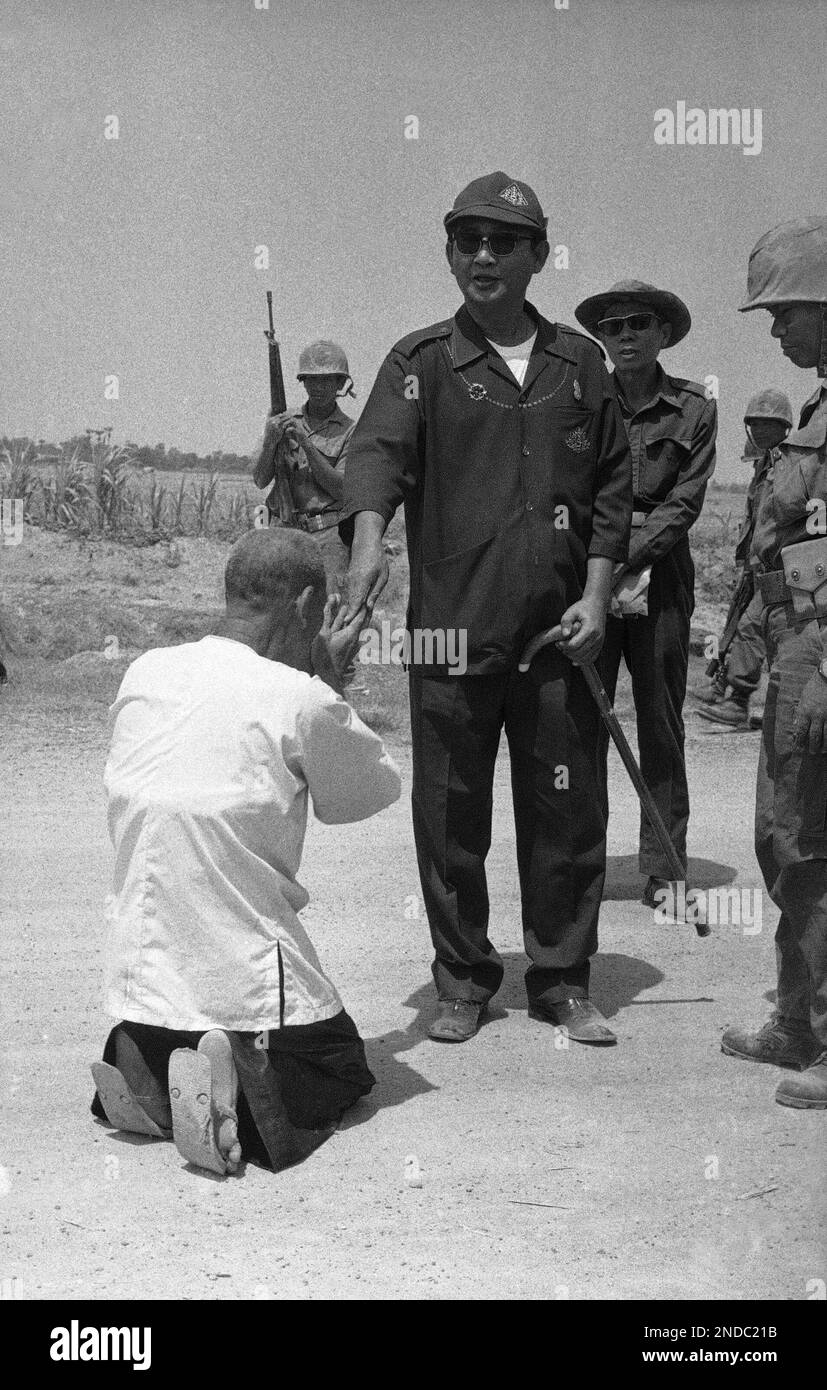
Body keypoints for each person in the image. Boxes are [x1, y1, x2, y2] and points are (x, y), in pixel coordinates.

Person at [340, 172, 632, 1045]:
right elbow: (376, 460)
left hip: (558, 637)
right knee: (449, 813)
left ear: (539, 255)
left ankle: (561, 980)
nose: (482, 255)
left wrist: (594, 595)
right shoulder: (421, 360)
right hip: (448, 630)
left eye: (503, 241)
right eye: (466, 239)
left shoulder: (580, 363)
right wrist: (366, 553)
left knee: (565, 810)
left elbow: (613, 489)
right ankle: (463, 980)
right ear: (450, 253)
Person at [91, 528, 401, 1172]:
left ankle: (140, 1068)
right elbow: (366, 795)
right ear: (308, 603)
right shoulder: (300, 696)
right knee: (341, 1064)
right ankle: (237, 1091)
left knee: (164, 1010)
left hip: (142, 978)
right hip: (246, 979)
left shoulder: (145, 669)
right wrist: (327, 682)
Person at [721, 215, 827, 1109]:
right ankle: (797, 1019)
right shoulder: (820, 405)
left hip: (823, 647)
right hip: (796, 639)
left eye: (785, 311)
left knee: (816, 840)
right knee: (784, 836)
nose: (775, 328)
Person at [573, 280, 717, 915]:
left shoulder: (694, 408)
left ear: (663, 334)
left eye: (638, 324)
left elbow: (684, 502)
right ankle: (581, 868)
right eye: (611, 327)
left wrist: (622, 555)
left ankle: (664, 867)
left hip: (660, 578)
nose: (624, 336)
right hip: (590, 579)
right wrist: (597, 570)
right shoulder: (581, 403)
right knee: (585, 722)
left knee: (660, 721)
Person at [696, 390, 792, 729]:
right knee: (740, 625)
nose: (761, 429)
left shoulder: (791, 464)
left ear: (785, 427)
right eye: (755, 423)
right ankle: (726, 687)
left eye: (769, 423)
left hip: (779, 566)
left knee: (754, 628)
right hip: (757, 564)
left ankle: (738, 701)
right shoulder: (763, 464)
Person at [252, 341, 356, 593]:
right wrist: (271, 441)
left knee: (329, 614)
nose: (318, 388)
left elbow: (342, 490)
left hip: (327, 537)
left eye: (327, 381)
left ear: (340, 384)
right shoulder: (281, 420)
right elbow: (260, 479)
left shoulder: (351, 431)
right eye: (311, 380)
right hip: (282, 532)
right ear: (303, 381)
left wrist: (304, 442)